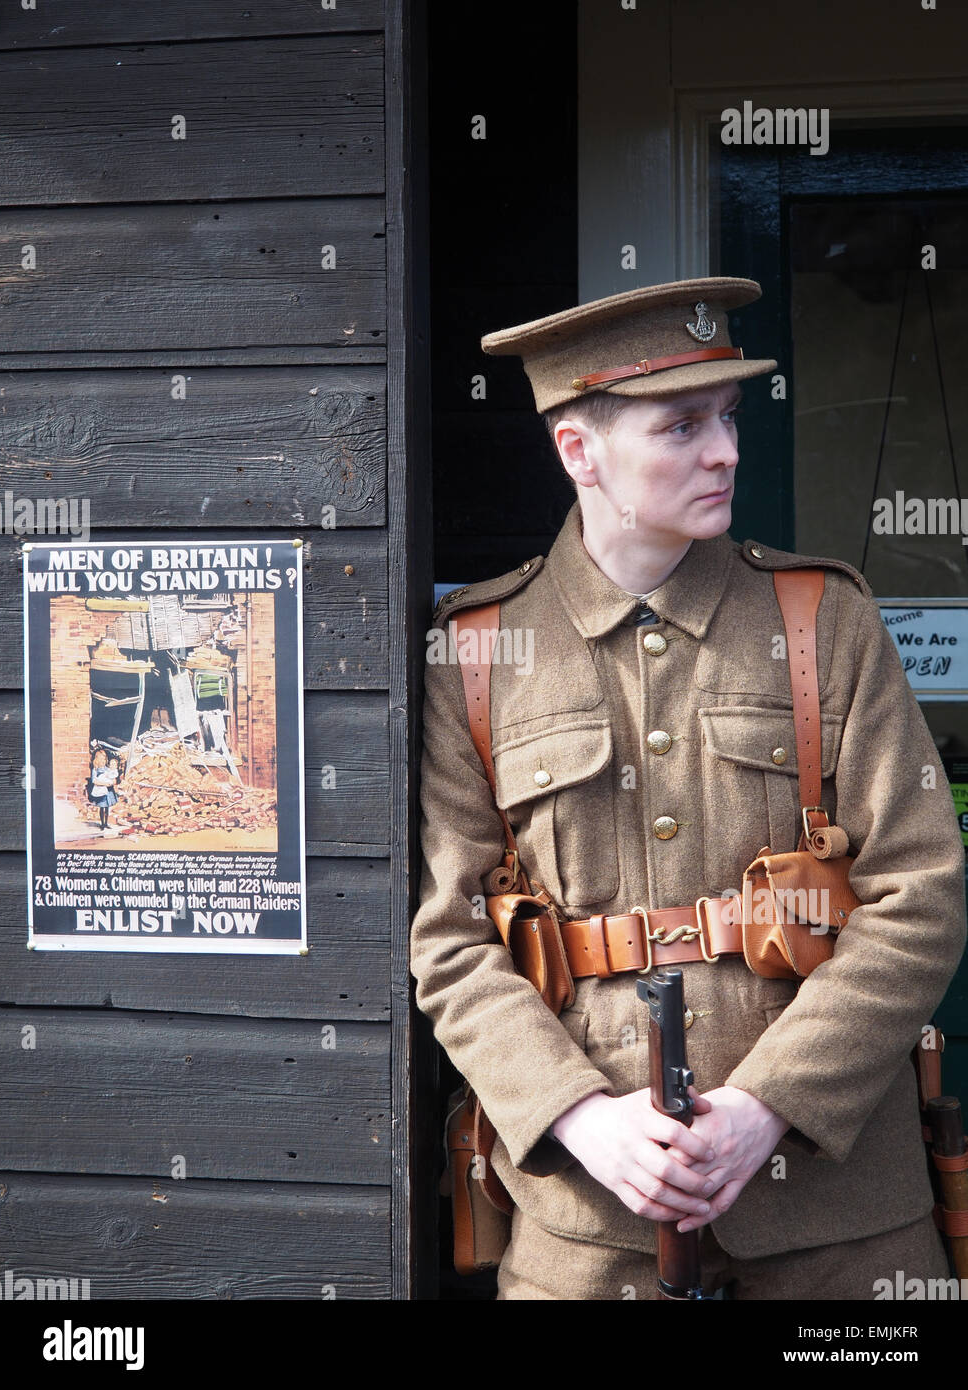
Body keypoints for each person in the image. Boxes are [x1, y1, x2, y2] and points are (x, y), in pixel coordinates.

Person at [409, 278, 967, 1300]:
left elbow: (921, 894)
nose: (727, 452)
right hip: (589, 1230)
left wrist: (767, 1104)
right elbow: (450, 942)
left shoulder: (822, 623)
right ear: (579, 451)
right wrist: (581, 1116)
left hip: (836, 1232)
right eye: (681, 425)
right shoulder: (479, 657)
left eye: (728, 416)